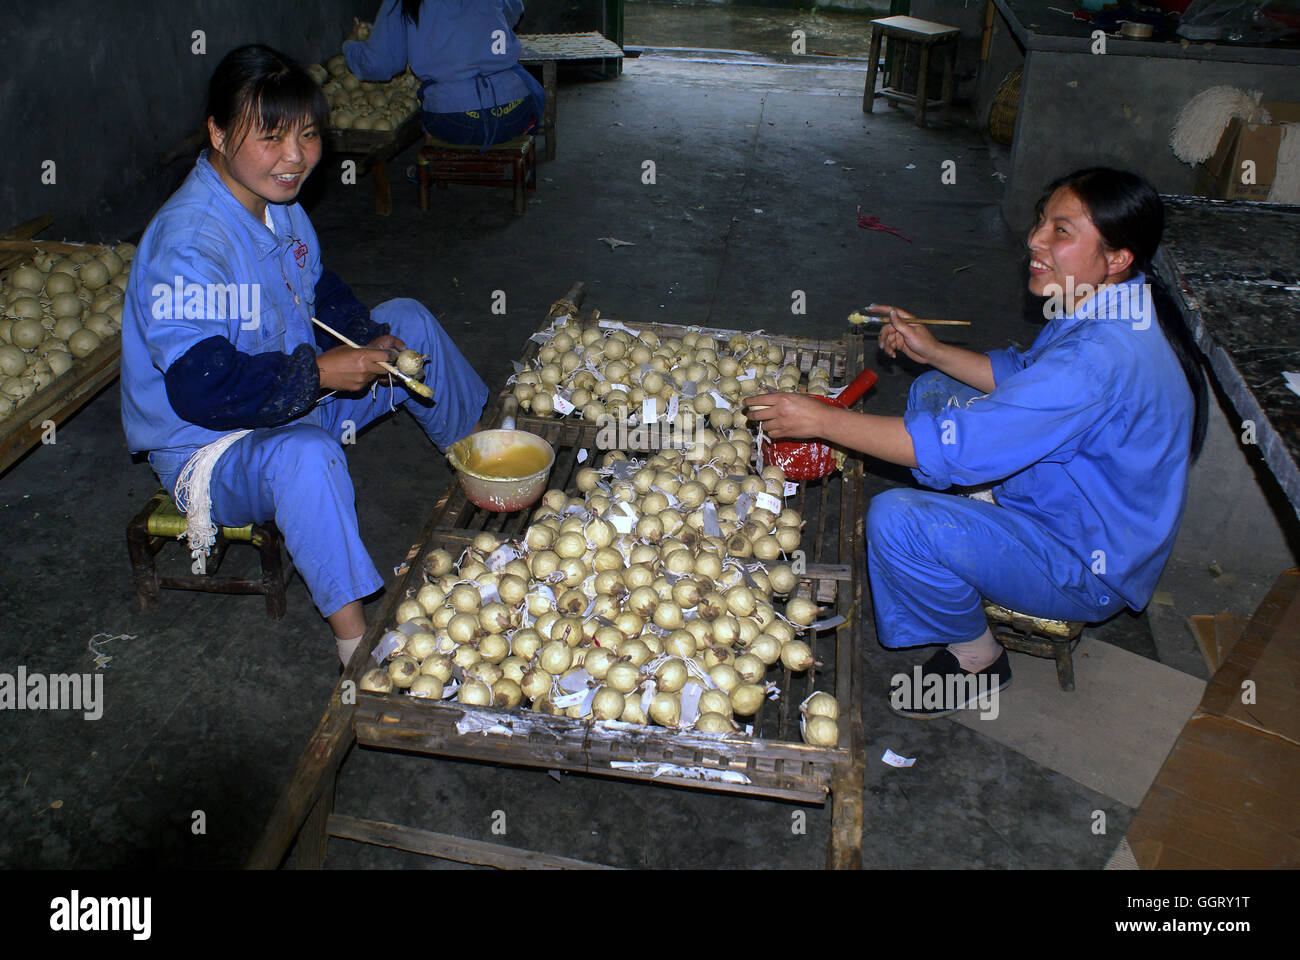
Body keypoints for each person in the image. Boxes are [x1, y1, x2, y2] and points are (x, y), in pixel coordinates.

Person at [745, 168, 1207, 717]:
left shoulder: (1098, 360)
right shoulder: (1112, 304)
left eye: (1061, 231)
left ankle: (979, 660)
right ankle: (977, 514)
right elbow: (1026, 376)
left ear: (1117, 257)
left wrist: (822, 420)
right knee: (938, 386)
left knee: (897, 520)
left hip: (1085, 560)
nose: (1035, 240)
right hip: (1076, 499)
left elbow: (957, 443)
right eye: (1042, 222)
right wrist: (934, 350)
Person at [121, 44, 489, 667]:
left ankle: (491, 469)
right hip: (212, 445)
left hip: (290, 398)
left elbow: (316, 288)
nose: (295, 158)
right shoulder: (187, 245)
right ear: (216, 133)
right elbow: (200, 388)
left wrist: (364, 338)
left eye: (308, 135)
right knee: (307, 457)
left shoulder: (278, 206)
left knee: (407, 323)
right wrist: (321, 371)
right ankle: (355, 646)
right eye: (270, 137)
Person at [343, 0, 545, 150]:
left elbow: (379, 64)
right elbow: (513, 12)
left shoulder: (400, 3)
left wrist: (350, 46)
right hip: (514, 113)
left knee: (430, 91)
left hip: (453, 122)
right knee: (521, 76)